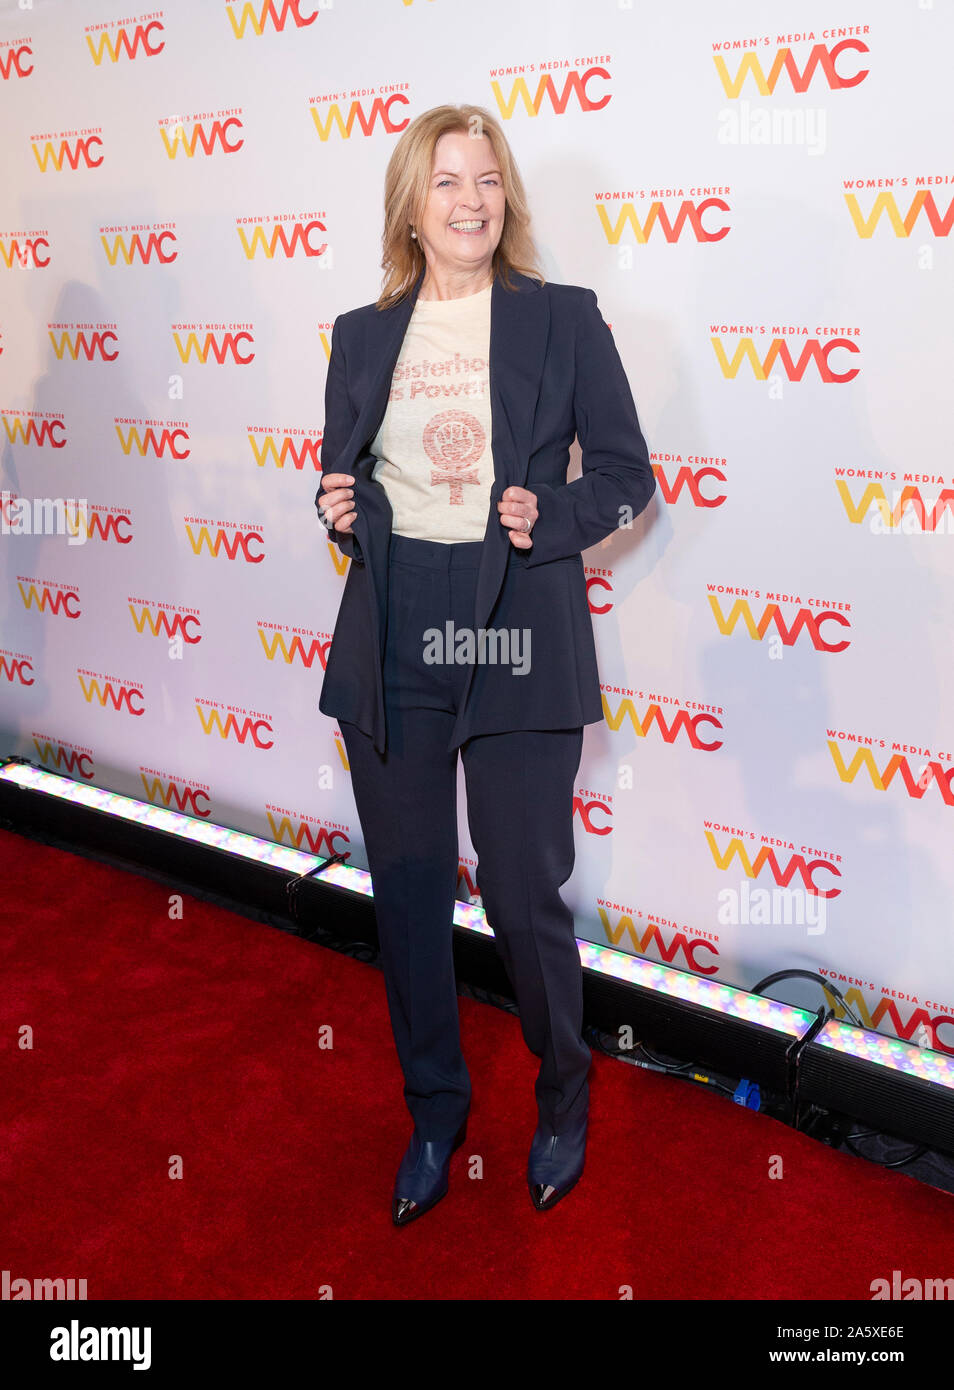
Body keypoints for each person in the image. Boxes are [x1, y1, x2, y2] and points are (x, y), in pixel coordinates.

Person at [316, 104, 654, 1225]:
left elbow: (624, 472)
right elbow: (346, 488)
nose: (471, 201)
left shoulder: (562, 318)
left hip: (514, 616)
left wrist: (549, 513)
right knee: (409, 893)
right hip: (394, 619)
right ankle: (434, 1110)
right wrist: (338, 506)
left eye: (488, 181)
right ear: (411, 207)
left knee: (518, 889)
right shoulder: (361, 336)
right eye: (447, 182)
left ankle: (565, 1093)